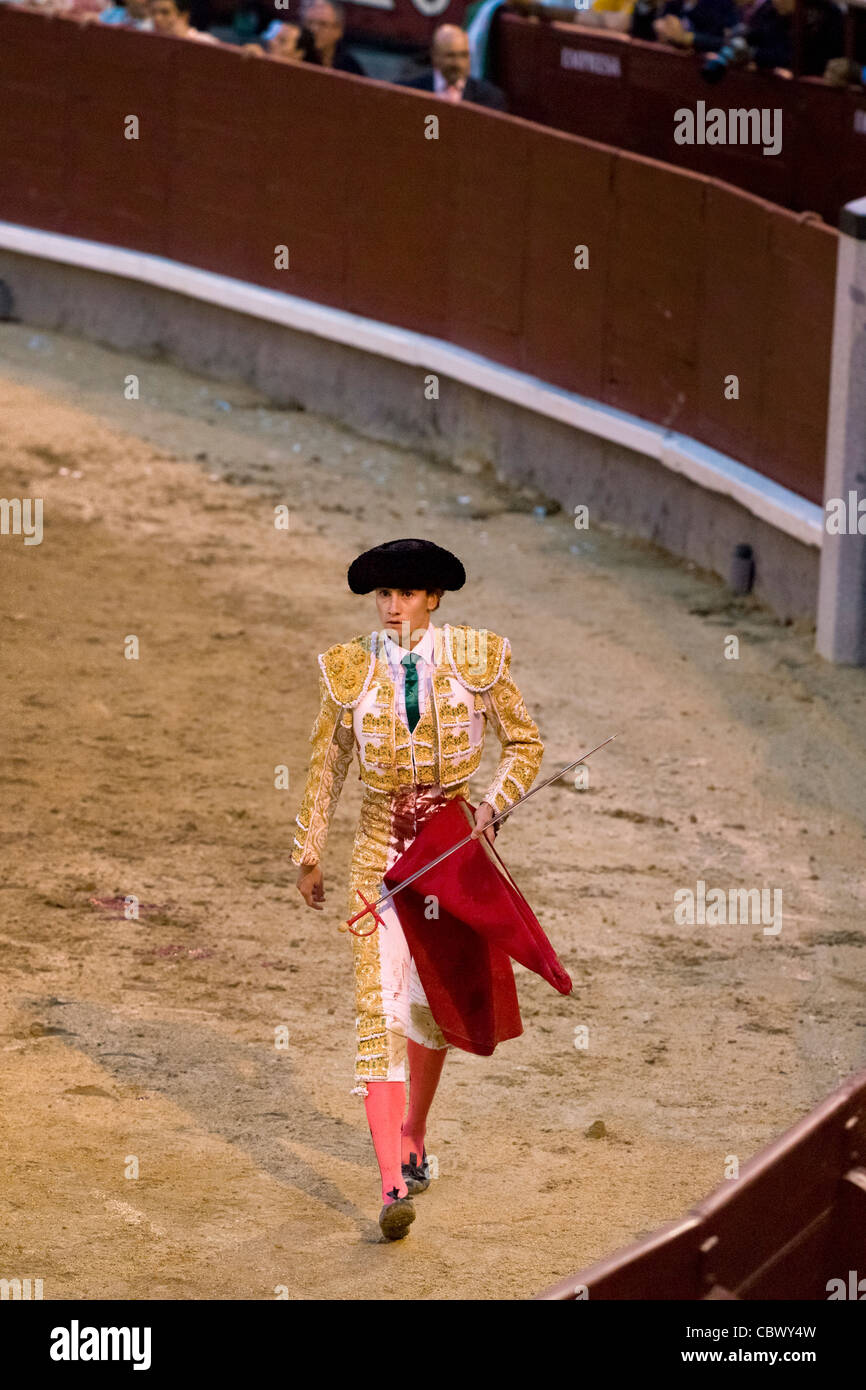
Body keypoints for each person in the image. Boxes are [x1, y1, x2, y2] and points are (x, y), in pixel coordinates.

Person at [291, 538, 544, 1240]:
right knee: (377, 1013)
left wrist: (492, 805)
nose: (392, 607)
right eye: (383, 595)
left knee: (428, 1008)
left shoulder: (475, 659)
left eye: (405, 594)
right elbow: (326, 767)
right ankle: (392, 1180)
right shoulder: (349, 670)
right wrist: (309, 852)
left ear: (433, 598)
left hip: (448, 856)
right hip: (376, 857)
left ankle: (413, 1134)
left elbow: (525, 743)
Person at [402, 23, 508, 110]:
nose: (458, 63)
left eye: (463, 55)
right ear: (435, 56)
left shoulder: (490, 99)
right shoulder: (409, 92)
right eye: (451, 56)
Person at [301, 0, 365, 75]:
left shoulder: (350, 67)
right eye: (309, 22)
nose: (314, 29)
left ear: (338, 30)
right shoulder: (294, 56)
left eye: (323, 24)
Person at [147, 0, 219, 41]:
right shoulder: (146, 41)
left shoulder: (206, 42)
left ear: (184, 16)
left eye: (165, 12)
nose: (157, 18)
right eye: (153, 12)